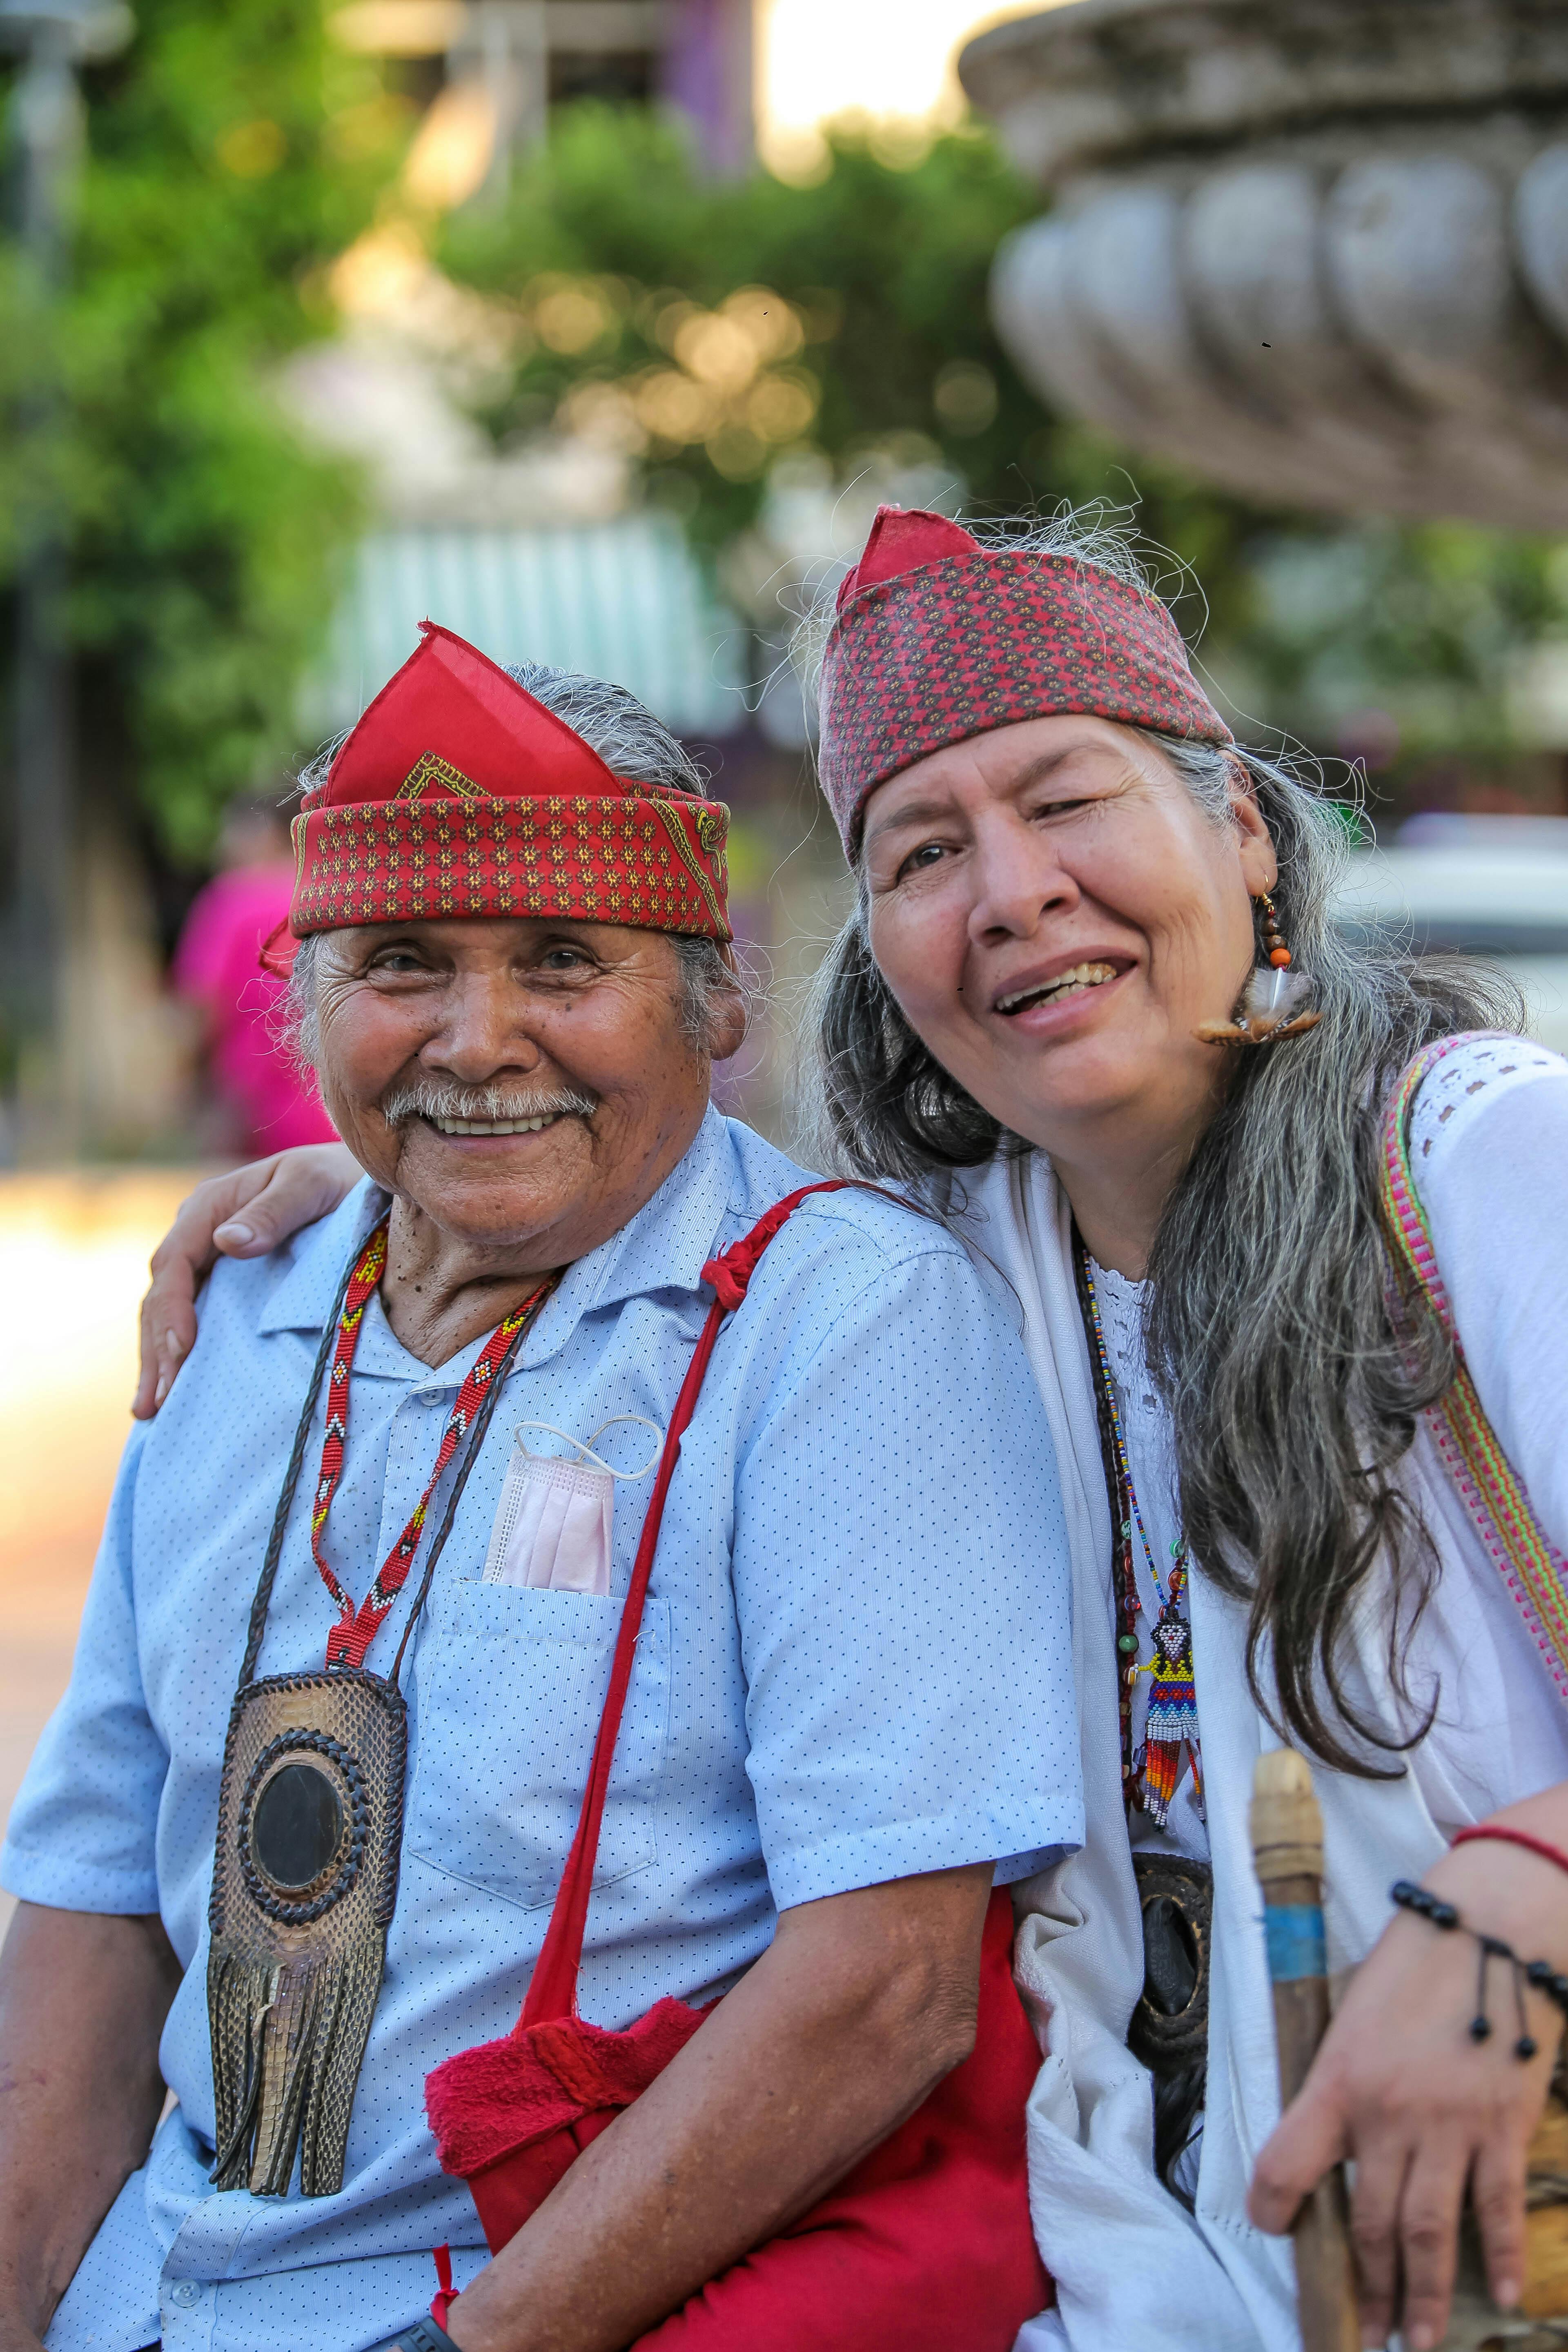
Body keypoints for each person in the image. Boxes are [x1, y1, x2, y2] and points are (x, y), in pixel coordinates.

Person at [141, 511, 1568, 2352]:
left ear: (1240, 833)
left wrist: (1516, 1887)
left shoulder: (1476, 1161)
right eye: (923, 848)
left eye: (1068, 800)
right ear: (877, 951)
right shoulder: (949, 1271)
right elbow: (655, 1185)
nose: (1014, 890)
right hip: (1166, 2282)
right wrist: (375, 1180)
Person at [0, 620, 1082, 2352]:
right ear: (306, 1000)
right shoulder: (239, 1308)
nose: (479, 1039)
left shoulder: (839, 1323)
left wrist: (481, 2346)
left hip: (515, 2315)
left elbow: (882, 1989)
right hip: (156, 2295)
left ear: (710, 996)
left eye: (565, 960)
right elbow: (94, 1894)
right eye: (406, 962)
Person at [171, 790, 338, 1155]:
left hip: (259, 1121)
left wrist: (183, 1090)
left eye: (232, 831)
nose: (221, 844)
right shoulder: (327, 893)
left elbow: (201, 1011)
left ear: (266, 834)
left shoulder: (231, 899)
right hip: (341, 1116)